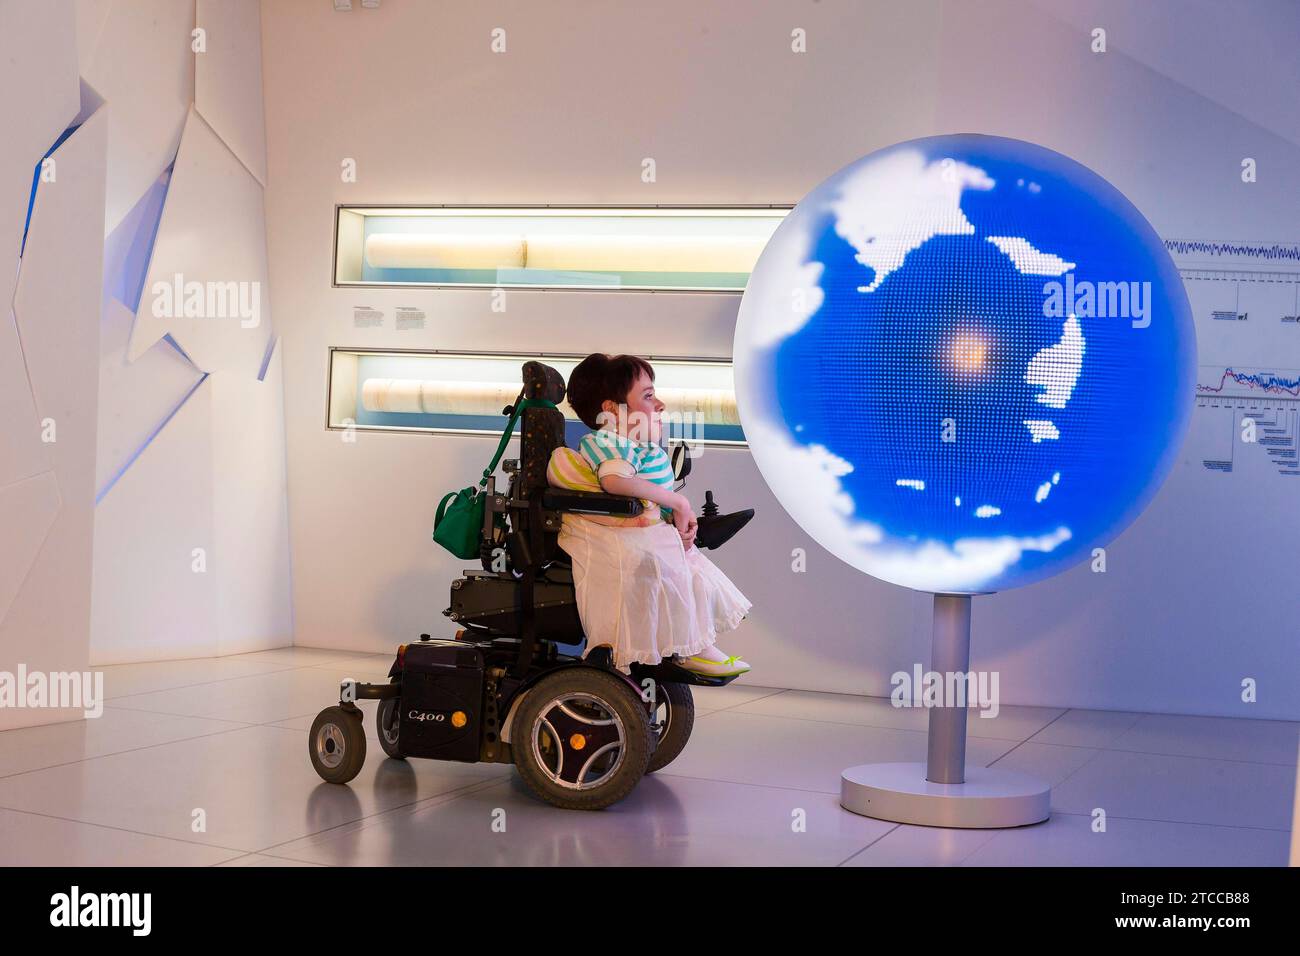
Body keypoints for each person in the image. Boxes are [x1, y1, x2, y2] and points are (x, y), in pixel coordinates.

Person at [554, 352, 752, 676]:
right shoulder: (609, 443)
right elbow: (615, 481)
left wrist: (674, 513)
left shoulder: (633, 446)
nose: (659, 404)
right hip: (613, 538)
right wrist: (680, 504)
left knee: (689, 564)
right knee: (673, 567)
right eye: (648, 396)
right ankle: (692, 647)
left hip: (641, 528)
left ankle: (701, 639)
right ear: (612, 411)